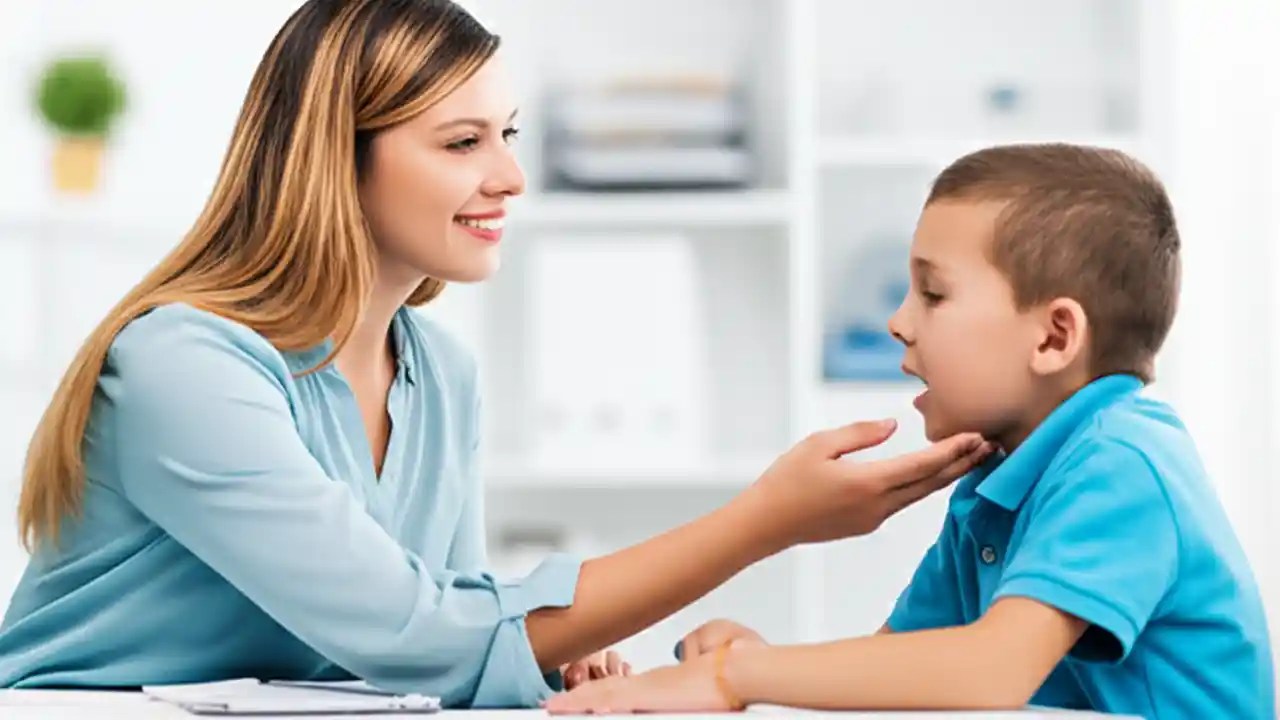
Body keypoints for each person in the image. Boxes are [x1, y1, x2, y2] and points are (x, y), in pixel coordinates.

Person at [0, 0, 994, 709]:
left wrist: (547, 659)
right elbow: (421, 638)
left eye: (507, 135)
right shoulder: (184, 366)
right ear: (334, 157)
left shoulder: (437, 374)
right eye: (461, 141)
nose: (510, 175)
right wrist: (765, 522)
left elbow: (436, 629)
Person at [545, 144, 1276, 719]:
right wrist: (764, 662)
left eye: (933, 292)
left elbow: (990, 669)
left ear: (1055, 338)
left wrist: (739, 676)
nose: (897, 321)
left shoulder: (1123, 459)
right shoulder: (997, 479)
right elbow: (905, 670)